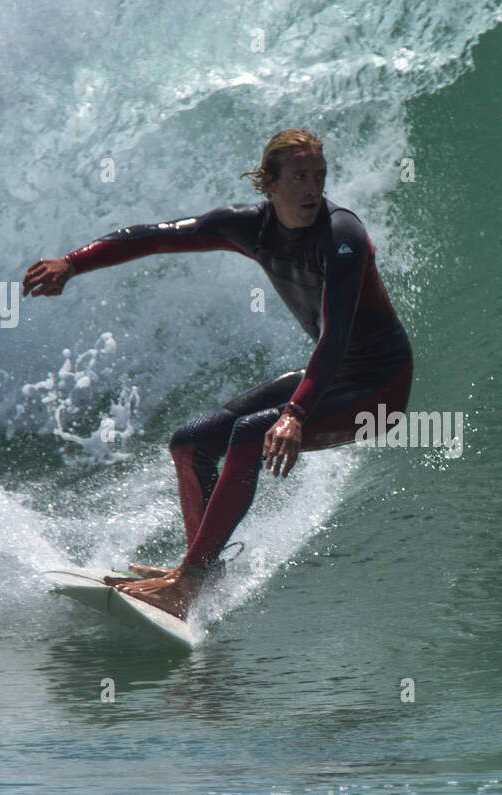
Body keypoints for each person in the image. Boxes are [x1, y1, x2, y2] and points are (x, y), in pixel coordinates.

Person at [21, 129, 413, 617]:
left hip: (380, 388)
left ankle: (190, 578)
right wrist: (73, 264)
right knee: (190, 442)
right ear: (268, 182)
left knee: (250, 434)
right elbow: (154, 237)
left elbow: (334, 336)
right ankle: (202, 575)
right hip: (334, 376)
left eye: (319, 177)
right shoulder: (249, 227)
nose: (313, 188)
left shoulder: (342, 237)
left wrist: (294, 413)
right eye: (299, 177)